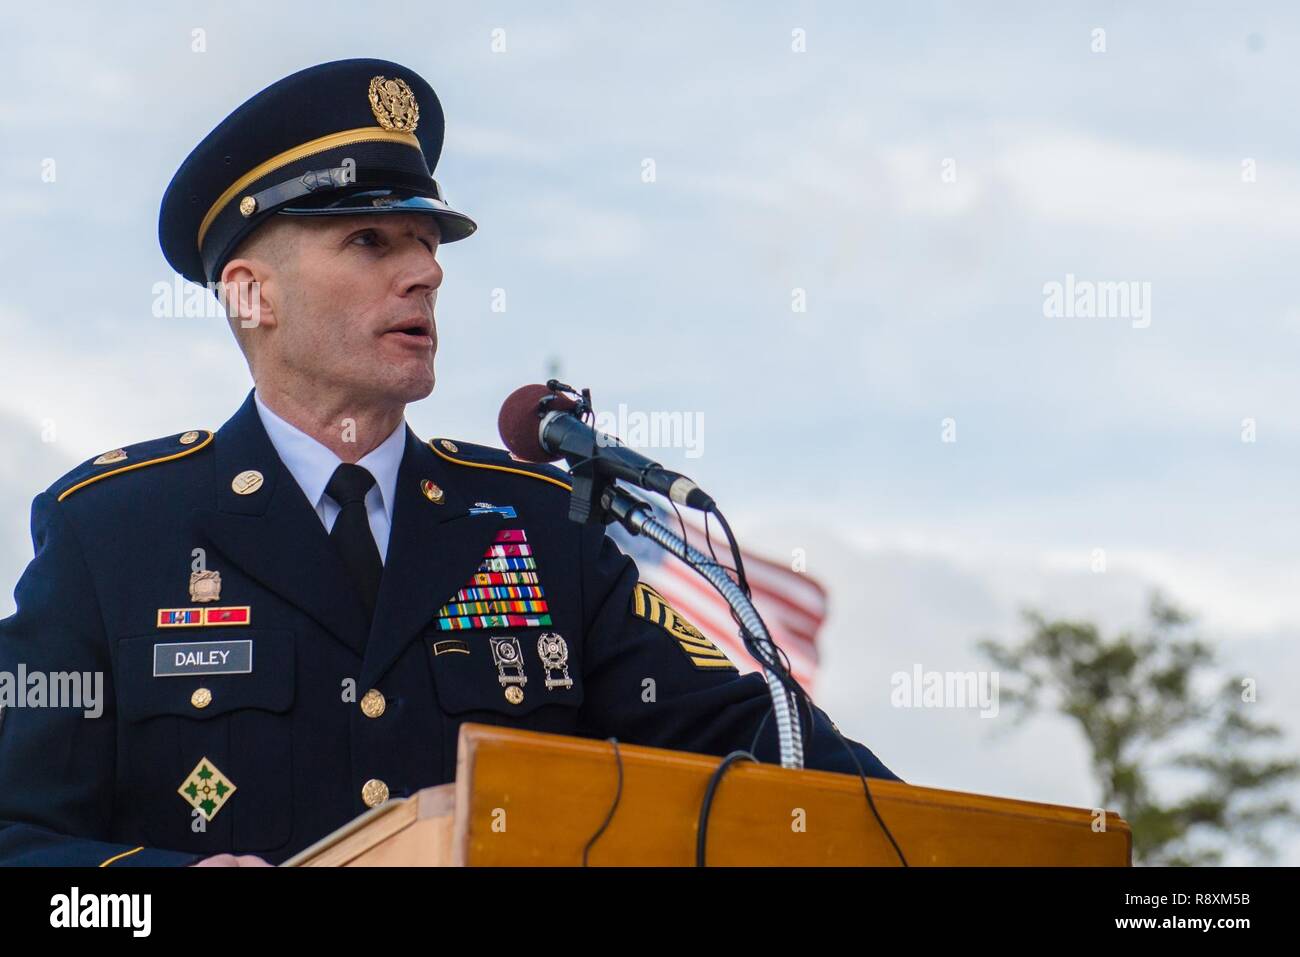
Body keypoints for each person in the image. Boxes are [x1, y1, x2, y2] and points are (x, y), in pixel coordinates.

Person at [0, 58, 898, 867]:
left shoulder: (540, 528)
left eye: (427, 244)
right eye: (370, 242)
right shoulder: (112, 534)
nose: (425, 274)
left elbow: (754, 742)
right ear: (251, 292)